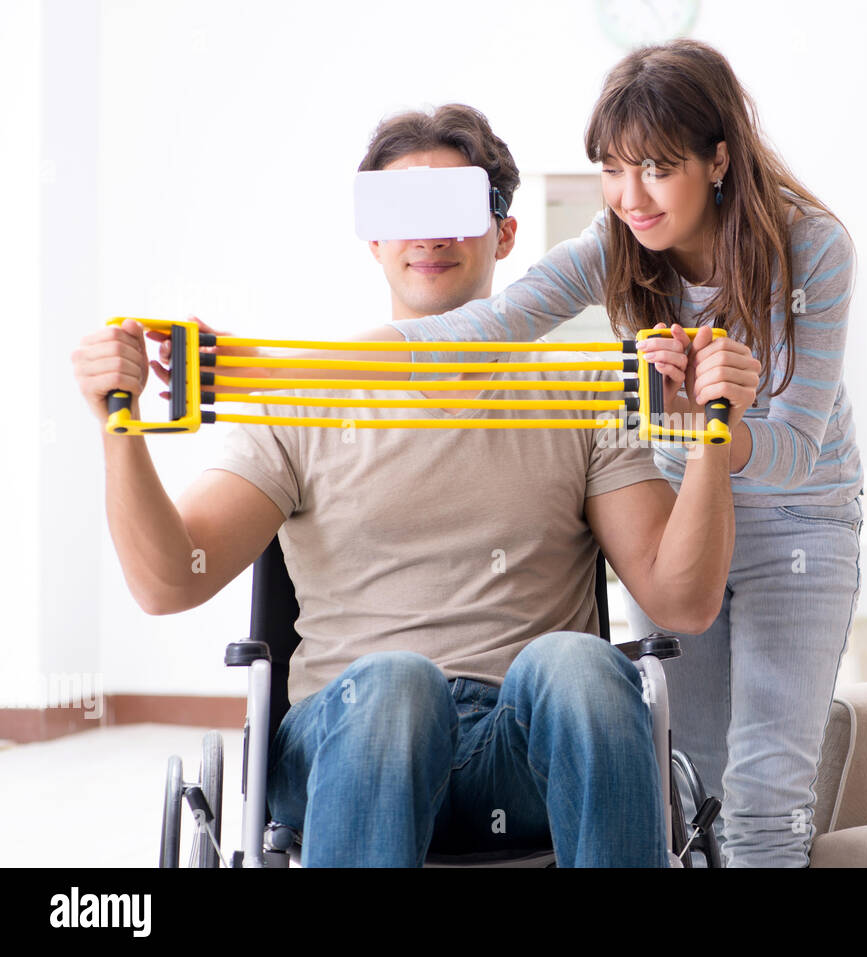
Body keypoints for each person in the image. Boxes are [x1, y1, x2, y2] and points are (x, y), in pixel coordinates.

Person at [226, 40, 865, 867]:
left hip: (797, 515)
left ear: (718, 160)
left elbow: (792, 450)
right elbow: (498, 321)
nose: (631, 198)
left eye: (657, 169)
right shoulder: (620, 240)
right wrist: (286, 368)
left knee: (767, 786)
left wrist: (719, 420)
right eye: (611, 170)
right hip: (681, 489)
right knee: (694, 779)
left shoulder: (813, 249)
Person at [70, 103, 757, 867]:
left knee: (584, 665)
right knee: (400, 688)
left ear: (505, 232)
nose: (429, 235)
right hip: (352, 744)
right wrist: (120, 429)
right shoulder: (303, 395)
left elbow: (684, 598)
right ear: (373, 235)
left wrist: (708, 432)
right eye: (404, 212)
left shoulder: (584, 392)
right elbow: (170, 580)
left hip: (520, 750)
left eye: (456, 210)